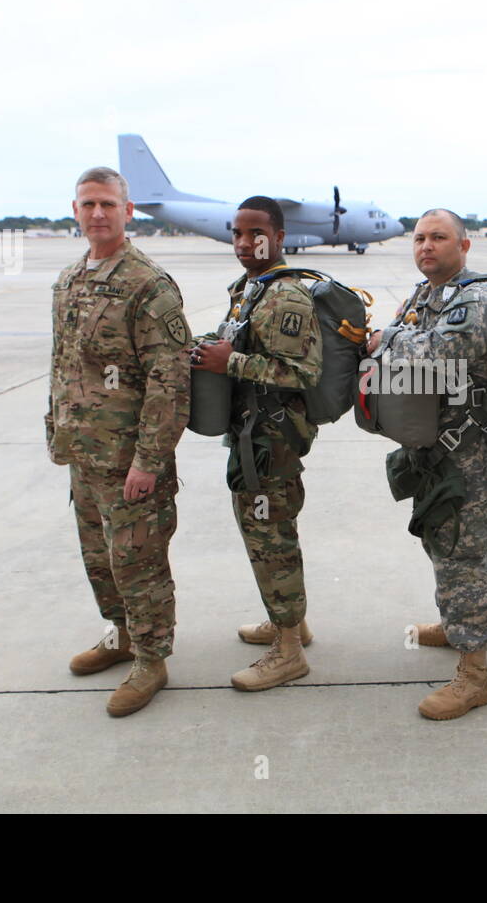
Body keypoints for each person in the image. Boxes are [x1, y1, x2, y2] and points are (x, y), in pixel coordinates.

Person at [47, 166, 191, 717]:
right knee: (98, 558)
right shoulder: (69, 280)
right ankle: (122, 634)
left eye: (108, 203)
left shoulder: (147, 284)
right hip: (82, 452)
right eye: (88, 204)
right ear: (76, 210)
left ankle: (152, 659)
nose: (98, 213)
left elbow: (170, 379)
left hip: (129, 458)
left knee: (139, 560)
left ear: (128, 212)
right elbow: (61, 365)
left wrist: (150, 460)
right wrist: (54, 428)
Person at [369, 209, 487, 720]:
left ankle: (475, 674)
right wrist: (388, 341)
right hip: (432, 445)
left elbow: (440, 352)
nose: (426, 246)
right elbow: (403, 339)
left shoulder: (478, 298)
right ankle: (456, 626)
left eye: (439, 237)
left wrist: (383, 343)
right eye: (420, 238)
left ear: (464, 245)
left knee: (463, 553)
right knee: (439, 540)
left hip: (466, 449)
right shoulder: (424, 296)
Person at [192, 196, 322, 691]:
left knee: (270, 535)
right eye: (238, 234)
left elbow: (302, 373)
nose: (245, 243)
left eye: (256, 234)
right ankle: (291, 621)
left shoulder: (286, 297)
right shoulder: (249, 289)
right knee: (263, 531)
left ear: (280, 237)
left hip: (274, 440)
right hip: (252, 434)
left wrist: (230, 363)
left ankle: (288, 651)